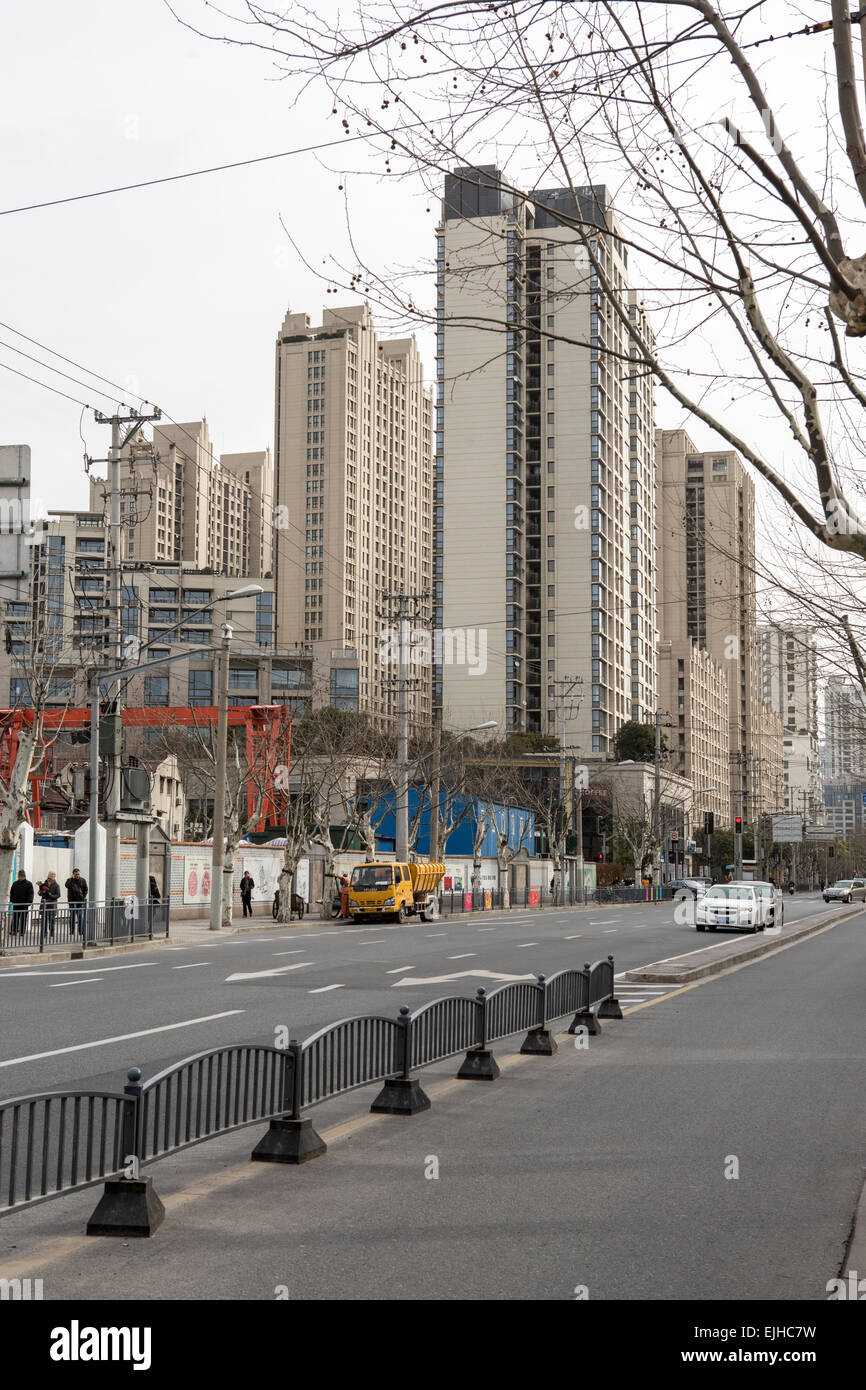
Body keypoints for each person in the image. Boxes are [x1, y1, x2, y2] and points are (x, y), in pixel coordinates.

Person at [9, 869, 33, 937]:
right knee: (15, 918)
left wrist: (29, 902)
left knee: (23, 919)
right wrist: (12, 900)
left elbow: (31, 894)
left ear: (24, 876)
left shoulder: (29, 884)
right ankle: (14, 930)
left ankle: (22, 932)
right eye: (19, 876)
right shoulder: (15, 883)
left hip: (24, 905)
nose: (20, 878)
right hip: (16, 904)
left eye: (22, 876)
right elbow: (12, 892)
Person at [65, 867, 88, 937]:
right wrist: (72, 879)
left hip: (80, 901)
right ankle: (72, 931)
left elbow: (86, 890)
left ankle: (81, 931)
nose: (77, 875)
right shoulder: (70, 880)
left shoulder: (83, 880)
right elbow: (66, 885)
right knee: (72, 916)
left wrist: (83, 897)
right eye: (76, 874)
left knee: (80, 916)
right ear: (73, 874)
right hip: (72, 901)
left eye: (78, 874)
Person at [38, 871, 61, 939]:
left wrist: (51, 895)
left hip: (52, 904)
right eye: (50, 877)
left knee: (52, 920)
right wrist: (41, 890)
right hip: (44, 904)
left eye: (52, 877)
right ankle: (44, 933)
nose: (50, 879)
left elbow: (58, 895)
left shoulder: (56, 885)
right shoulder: (44, 884)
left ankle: (52, 933)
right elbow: (39, 893)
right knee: (44, 920)